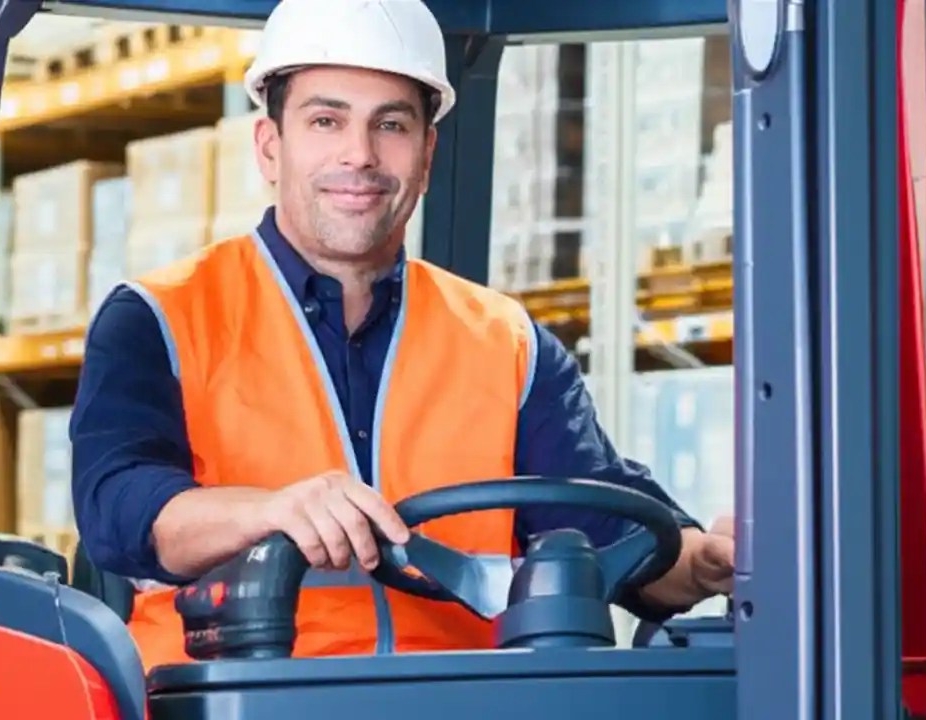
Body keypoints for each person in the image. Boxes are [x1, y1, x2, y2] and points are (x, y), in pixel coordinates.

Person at [70, 0, 735, 671]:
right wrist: (273, 510)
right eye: (326, 120)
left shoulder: (507, 341)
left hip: (457, 703)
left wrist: (703, 562)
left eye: (390, 125)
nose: (358, 155)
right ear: (270, 147)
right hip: (241, 699)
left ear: (426, 153)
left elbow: (608, 530)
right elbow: (119, 507)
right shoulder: (157, 317)